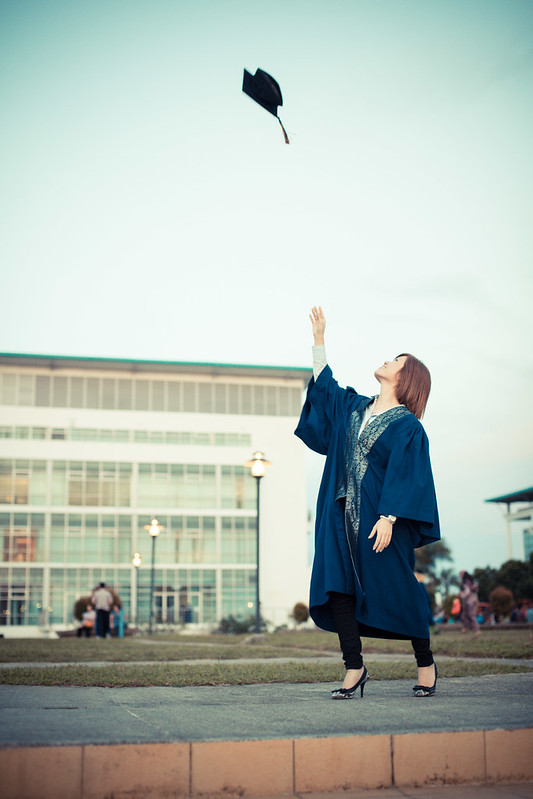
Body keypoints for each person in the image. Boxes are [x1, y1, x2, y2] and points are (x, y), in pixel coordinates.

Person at [295, 306, 440, 699]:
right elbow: (325, 392)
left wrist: (391, 517)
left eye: (396, 360)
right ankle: (354, 668)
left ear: (404, 376)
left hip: (379, 519)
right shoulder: (355, 407)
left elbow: (408, 473)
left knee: (398, 586)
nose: (387, 360)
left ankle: (425, 661)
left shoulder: (407, 426)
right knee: (338, 588)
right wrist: (320, 341)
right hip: (340, 517)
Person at [459, 571, 480, 635]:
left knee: (471, 615)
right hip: (471, 601)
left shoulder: (466, 582)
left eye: (461, 574)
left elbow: (467, 592)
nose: (460, 575)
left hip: (470, 601)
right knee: (464, 615)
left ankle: (476, 630)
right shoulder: (472, 582)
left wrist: (461, 595)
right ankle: (466, 628)